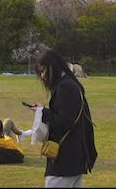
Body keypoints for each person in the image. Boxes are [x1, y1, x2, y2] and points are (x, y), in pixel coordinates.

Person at [27, 49, 96, 187]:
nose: (42, 76)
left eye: (43, 71)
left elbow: (65, 122)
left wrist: (43, 112)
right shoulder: (71, 85)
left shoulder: (66, 87)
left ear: (52, 67)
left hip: (65, 158)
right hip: (74, 157)